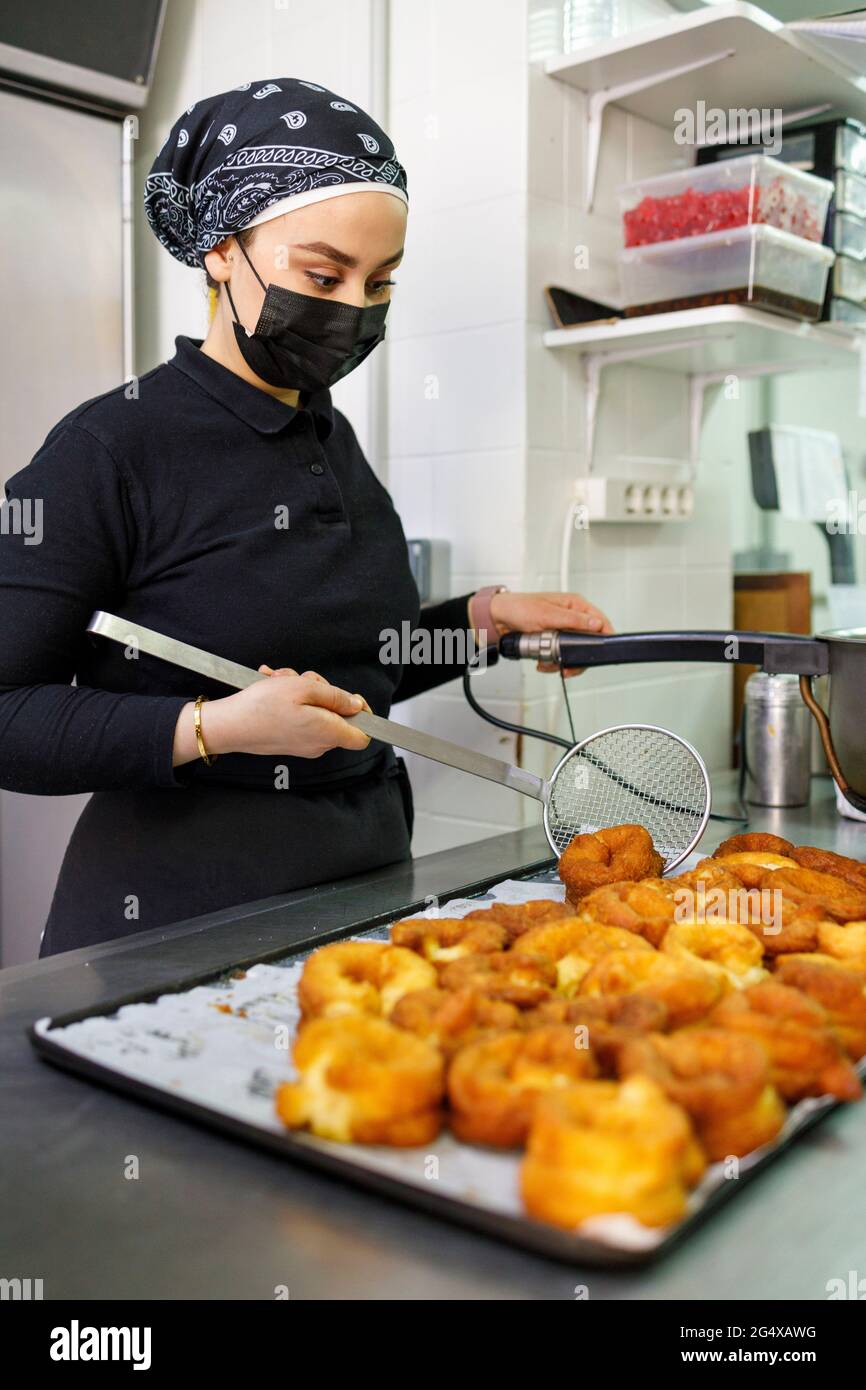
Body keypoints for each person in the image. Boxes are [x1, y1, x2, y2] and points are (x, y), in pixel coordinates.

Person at [0, 77, 611, 956]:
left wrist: (478, 623)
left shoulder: (330, 432)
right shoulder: (111, 446)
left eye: (381, 281)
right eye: (324, 274)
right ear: (221, 248)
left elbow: (350, 675)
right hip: (174, 924)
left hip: (363, 899)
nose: (353, 309)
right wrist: (208, 730)